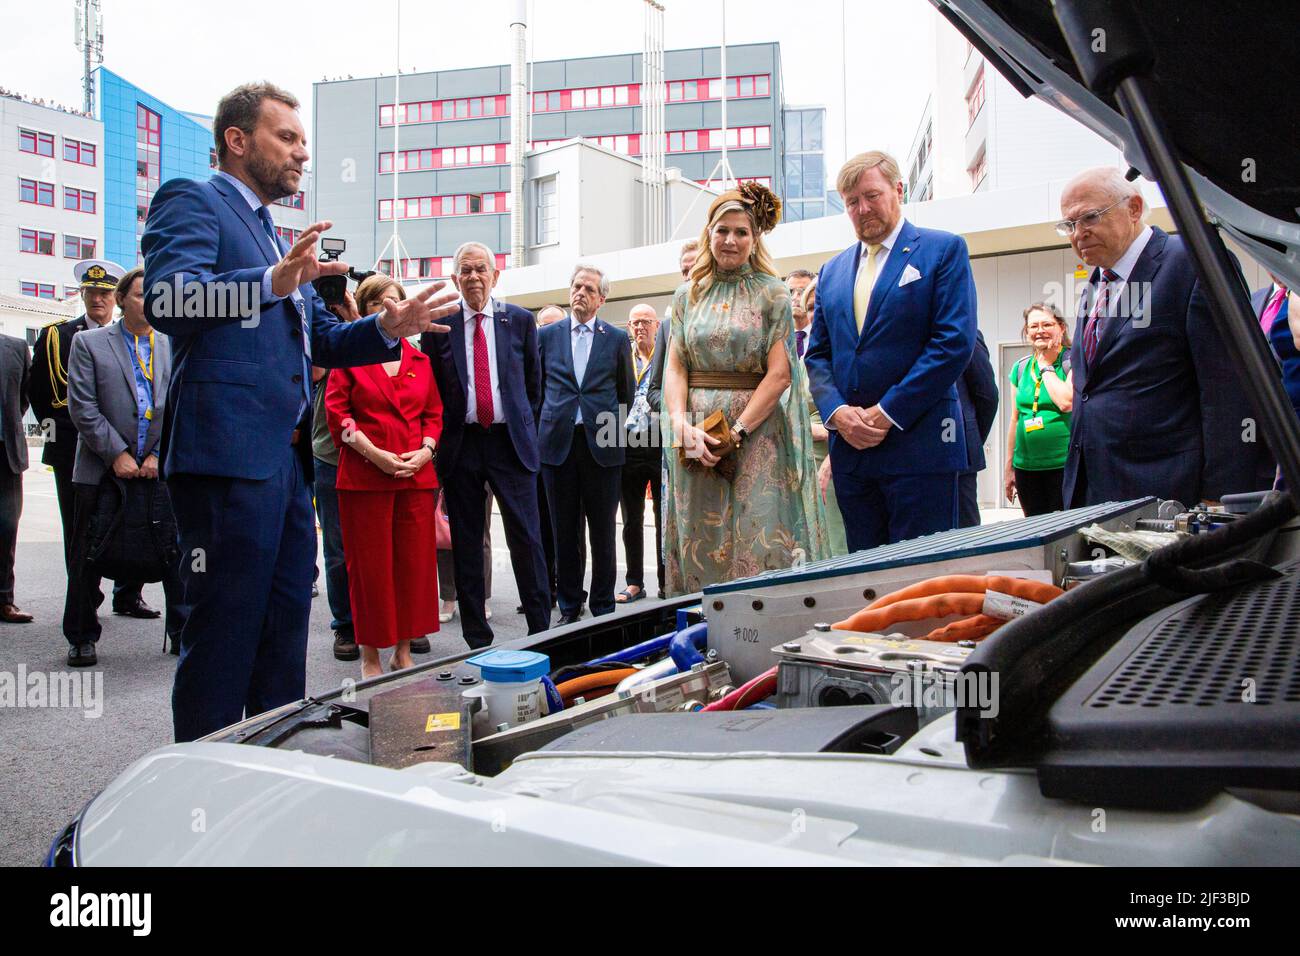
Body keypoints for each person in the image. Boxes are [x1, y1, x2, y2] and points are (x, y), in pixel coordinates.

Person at [142, 81, 459, 742]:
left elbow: (321, 341)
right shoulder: (191, 200)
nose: (301, 154)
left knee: (284, 623)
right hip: (225, 459)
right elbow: (172, 302)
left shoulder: (267, 230)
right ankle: (204, 781)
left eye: (304, 142)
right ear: (236, 139)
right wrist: (268, 283)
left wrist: (387, 330)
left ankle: (271, 764)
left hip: (283, 464)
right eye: (287, 137)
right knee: (226, 626)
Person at [1058, 167, 1263, 507]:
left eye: (1089, 218)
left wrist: (1220, 498)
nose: (1078, 233)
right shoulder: (1095, 284)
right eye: (1069, 225)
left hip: (1168, 495)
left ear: (1134, 208)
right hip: (1092, 493)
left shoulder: (1194, 263)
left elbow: (1231, 391)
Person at [662, 184, 829, 594]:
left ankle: (756, 632)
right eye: (722, 230)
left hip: (755, 437)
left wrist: (736, 433)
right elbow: (675, 366)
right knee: (699, 534)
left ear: (755, 239)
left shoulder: (772, 292)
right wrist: (681, 424)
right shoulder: (687, 295)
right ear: (709, 234)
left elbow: (780, 375)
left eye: (741, 232)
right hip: (695, 434)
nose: (730, 240)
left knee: (755, 530)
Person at [806, 151, 977, 551]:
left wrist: (888, 412)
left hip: (919, 447)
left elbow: (952, 343)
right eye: (851, 202)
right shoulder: (831, 272)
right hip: (852, 455)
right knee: (864, 578)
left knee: (921, 582)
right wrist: (836, 413)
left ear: (898, 190)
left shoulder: (942, 250)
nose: (862, 209)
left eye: (872, 195)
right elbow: (817, 356)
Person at [420, 241, 552, 649]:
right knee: (466, 541)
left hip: (509, 443)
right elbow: (434, 390)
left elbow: (534, 386)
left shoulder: (520, 321)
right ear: (454, 278)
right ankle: (477, 638)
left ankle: (541, 632)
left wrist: (517, 424)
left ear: (496, 276)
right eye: (465, 270)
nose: (473, 277)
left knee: (526, 538)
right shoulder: (440, 325)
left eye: (481, 269)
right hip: (461, 446)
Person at [63, 267, 187, 665]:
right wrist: (115, 452)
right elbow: (82, 406)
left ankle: (182, 631)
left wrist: (155, 455)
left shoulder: (173, 345)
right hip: (101, 469)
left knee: (173, 552)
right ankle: (82, 635)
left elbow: (179, 406)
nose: (150, 303)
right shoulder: (89, 343)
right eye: (140, 295)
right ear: (120, 300)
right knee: (87, 553)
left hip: (157, 467)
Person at [30, 258, 157, 619]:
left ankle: (128, 594)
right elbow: (47, 396)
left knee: (140, 524)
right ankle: (86, 612)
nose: (97, 300)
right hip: (77, 448)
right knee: (83, 537)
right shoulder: (62, 336)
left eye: (103, 293)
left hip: (139, 452)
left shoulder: (155, 341)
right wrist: (96, 444)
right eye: (92, 293)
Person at [325, 293, 443, 679]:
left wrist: (426, 451)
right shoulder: (349, 360)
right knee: (369, 569)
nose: (391, 310)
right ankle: (371, 655)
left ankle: (404, 650)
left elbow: (433, 413)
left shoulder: (420, 361)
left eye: (397, 302)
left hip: (415, 477)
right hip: (365, 477)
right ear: (369, 312)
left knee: (413, 566)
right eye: (380, 304)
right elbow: (338, 416)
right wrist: (372, 452)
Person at [538, 264, 634, 622]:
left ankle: (603, 606)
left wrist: (612, 432)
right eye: (576, 286)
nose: (580, 293)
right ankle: (569, 605)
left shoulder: (616, 338)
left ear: (602, 298)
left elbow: (626, 392)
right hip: (557, 444)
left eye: (589, 289)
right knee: (565, 531)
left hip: (602, 447)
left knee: (603, 531)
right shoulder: (548, 336)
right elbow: (537, 389)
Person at [1004, 303, 1074, 516]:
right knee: (1035, 532)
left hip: (1063, 466)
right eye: (1033, 326)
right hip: (1027, 468)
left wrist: (1045, 366)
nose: (1040, 330)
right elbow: (1015, 419)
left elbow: (1065, 401)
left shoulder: (1072, 360)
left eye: (1047, 324)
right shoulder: (1021, 368)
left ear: (1061, 328)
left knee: (1065, 533)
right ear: (1027, 331)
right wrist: (1009, 468)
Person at [616, 303, 663, 603]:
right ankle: (634, 581)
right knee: (632, 518)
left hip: (659, 441)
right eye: (634, 323)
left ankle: (665, 580)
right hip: (625, 442)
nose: (640, 327)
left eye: (646, 321)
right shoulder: (623, 357)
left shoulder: (665, 355)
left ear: (657, 325)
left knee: (663, 517)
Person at [801, 281, 848, 556]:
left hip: (835, 459)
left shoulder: (848, 353)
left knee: (837, 541)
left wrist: (826, 438)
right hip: (807, 460)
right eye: (809, 307)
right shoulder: (807, 357)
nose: (814, 313)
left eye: (819, 306)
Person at [0, 331, 32, 624]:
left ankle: (4, 600)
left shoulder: (16, 347)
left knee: (6, 528)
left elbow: (23, 399)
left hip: (6, 453)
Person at [956, 330, 999, 527]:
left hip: (957, 457)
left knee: (963, 539)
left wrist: (968, 438)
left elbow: (987, 395)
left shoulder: (965, 331)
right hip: (906, 462)